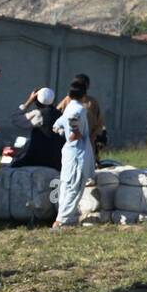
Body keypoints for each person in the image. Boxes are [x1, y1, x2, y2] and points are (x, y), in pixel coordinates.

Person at [51, 78, 95, 228]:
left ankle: (66, 219)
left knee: (66, 187)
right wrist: (75, 132)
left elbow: (56, 126)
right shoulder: (79, 109)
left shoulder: (68, 107)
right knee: (74, 188)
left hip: (70, 152)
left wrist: (64, 131)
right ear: (84, 96)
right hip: (77, 153)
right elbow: (72, 119)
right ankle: (60, 221)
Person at [9, 86, 63, 169]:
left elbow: (16, 119)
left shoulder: (39, 114)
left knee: (13, 167)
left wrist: (28, 102)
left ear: (36, 100)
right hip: (57, 160)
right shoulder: (60, 114)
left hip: (39, 158)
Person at [56, 73, 105, 161]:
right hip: (71, 142)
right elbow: (57, 115)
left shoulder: (92, 103)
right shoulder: (67, 100)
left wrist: (92, 138)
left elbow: (99, 125)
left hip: (87, 143)